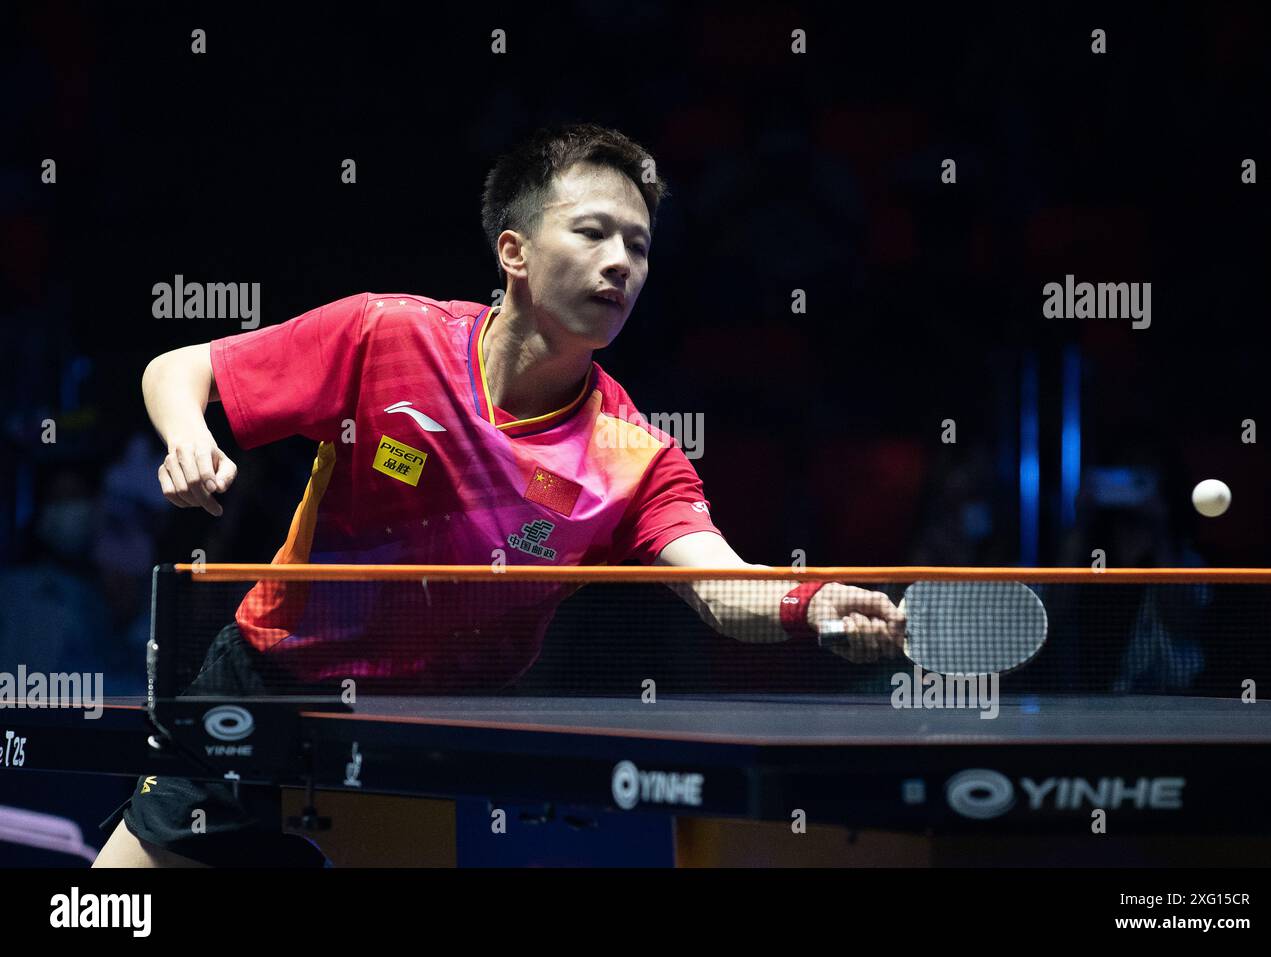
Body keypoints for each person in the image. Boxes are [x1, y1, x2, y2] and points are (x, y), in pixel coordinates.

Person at [94, 123, 905, 867]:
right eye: (592, 232)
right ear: (513, 252)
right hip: (263, 693)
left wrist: (810, 602)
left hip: (445, 734)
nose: (621, 262)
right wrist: (188, 436)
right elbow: (178, 368)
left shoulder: (631, 455)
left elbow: (719, 586)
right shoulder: (386, 335)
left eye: (639, 245)